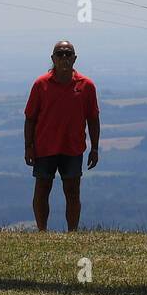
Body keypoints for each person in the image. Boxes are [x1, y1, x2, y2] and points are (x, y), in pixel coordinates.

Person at [23, 41, 100, 232]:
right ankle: (42, 231)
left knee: (73, 192)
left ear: (75, 58)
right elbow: (30, 118)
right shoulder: (41, 84)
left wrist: (95, 147)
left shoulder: (86, 85)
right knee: (42, 190)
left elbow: (93, 119)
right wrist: (29, 146)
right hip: (44, 147)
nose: (64, 58)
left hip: (72, 147)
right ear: (53, 58)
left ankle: (72, 232)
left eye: (68, 54)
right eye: (60, 54)